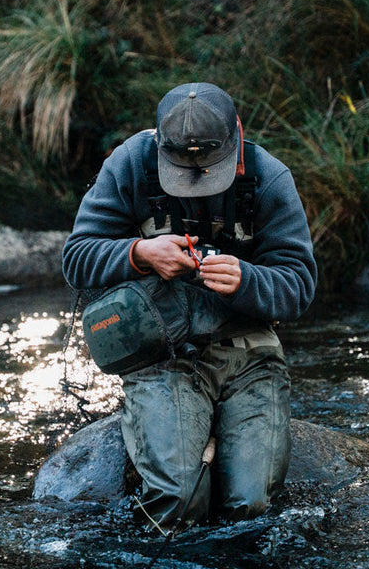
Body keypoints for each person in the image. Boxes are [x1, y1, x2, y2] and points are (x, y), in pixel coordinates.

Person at [62, 82, 316, 528]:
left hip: (249, 353)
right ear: (160, 144)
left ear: (236, 135)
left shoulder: (269, 176)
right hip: (162, 355)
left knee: (251, 506)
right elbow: (76, 258)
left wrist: (247, 279)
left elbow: (299, 285)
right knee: (176, 503)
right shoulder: (129, 165)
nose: (197, 183)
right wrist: (140, 255)